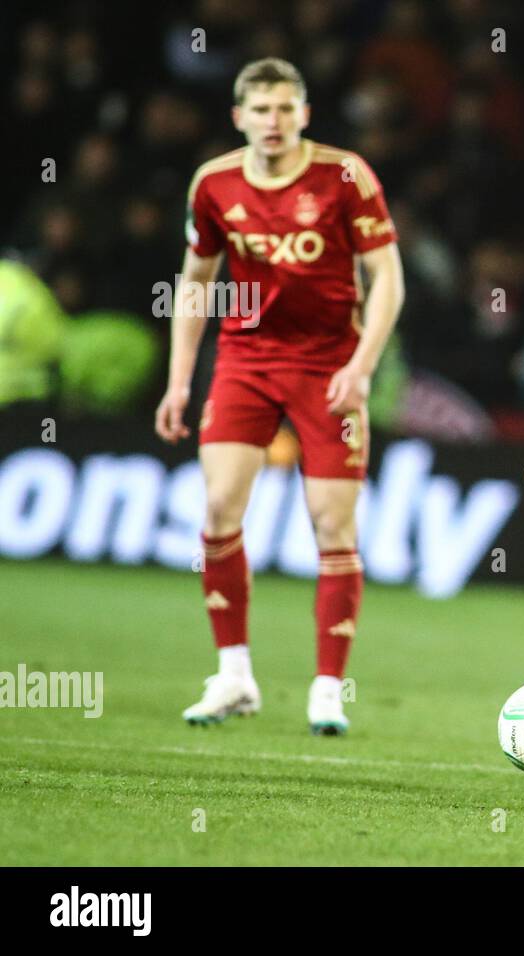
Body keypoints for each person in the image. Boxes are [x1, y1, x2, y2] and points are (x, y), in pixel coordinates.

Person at [155, 58, 404, 736]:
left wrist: (363, 363)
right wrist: (179, 380)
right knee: (217, 508)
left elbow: (387, 278)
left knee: (331, 525)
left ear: (305, 114)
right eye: (260, 110)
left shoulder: (346, 175)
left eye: (285, 109)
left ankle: (328, 687)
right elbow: (197, 282)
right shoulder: (213, 183)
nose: (273, 122)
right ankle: (234, 674)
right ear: (238, 116)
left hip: (329, 366)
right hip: (245, 359)